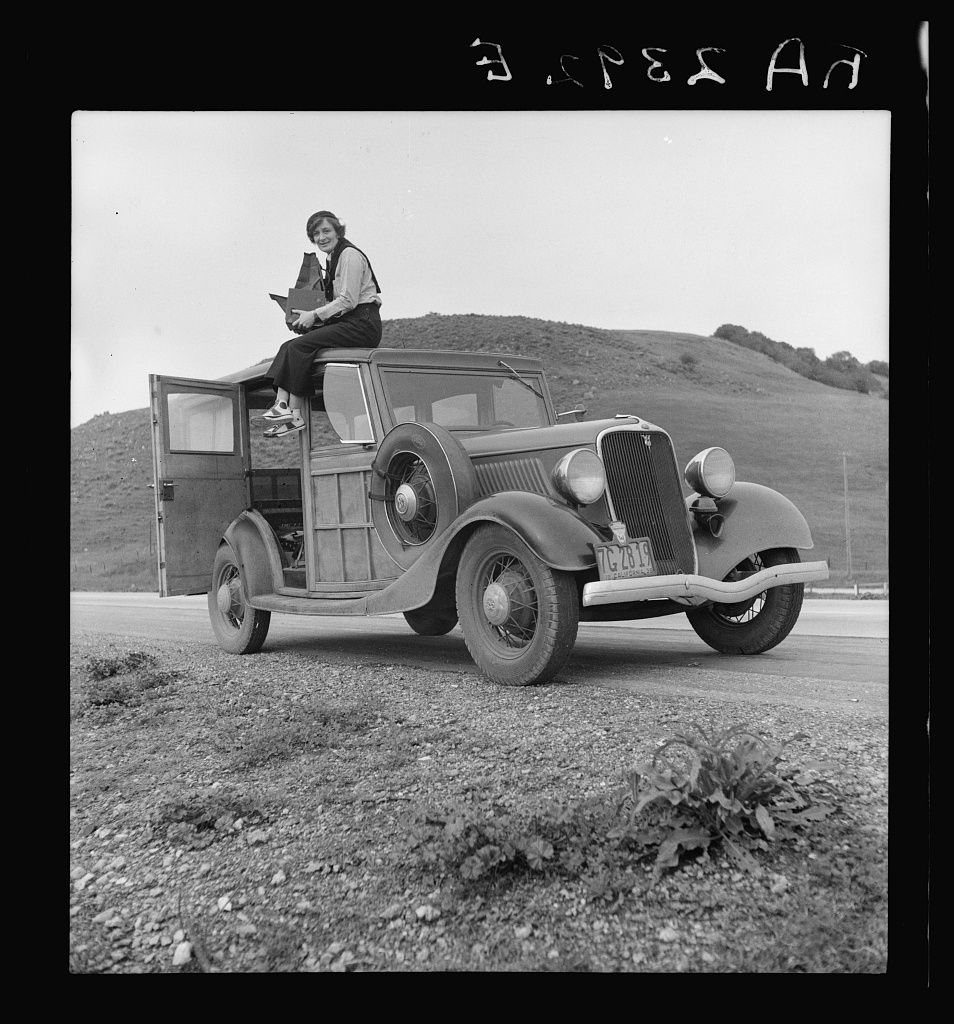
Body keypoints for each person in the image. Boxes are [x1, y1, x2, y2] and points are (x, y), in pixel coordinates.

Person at [263, 210, 383, 437]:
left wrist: (315, 316)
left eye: (326, 231)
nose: (321, 237)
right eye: (316, 233)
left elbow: (348, 300)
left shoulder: (349, 255)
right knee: (289, 346)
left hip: (362, 323)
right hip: (349, 320)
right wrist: (305, 314)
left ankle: (287, 411)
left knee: (299, 347)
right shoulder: (331, 258)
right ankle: (288, 412)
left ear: (338, 231)